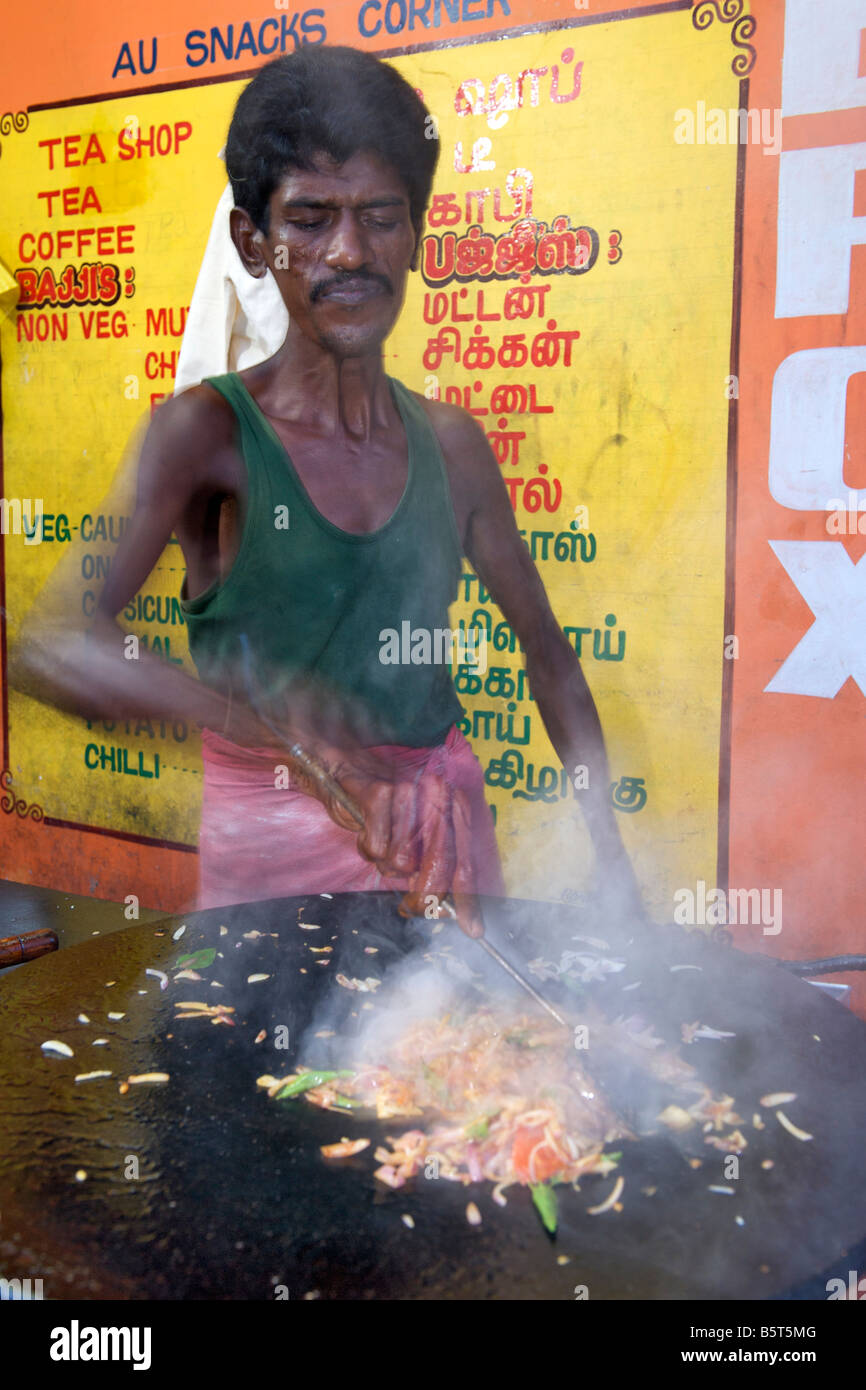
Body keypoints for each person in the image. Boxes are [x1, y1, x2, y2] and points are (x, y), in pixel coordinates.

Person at [12, 45, 643, 936]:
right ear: (252, 242)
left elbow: (551, 664)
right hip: (269, 841)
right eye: (309, 217)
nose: (350, 252)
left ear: (416, 232)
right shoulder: (205, 433)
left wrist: (614, 866)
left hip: (437, 834)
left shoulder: (453, 446)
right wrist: (280, 733)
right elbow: (48, 644)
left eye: (381, 216)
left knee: (470, 1059)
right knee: (260, 1059)